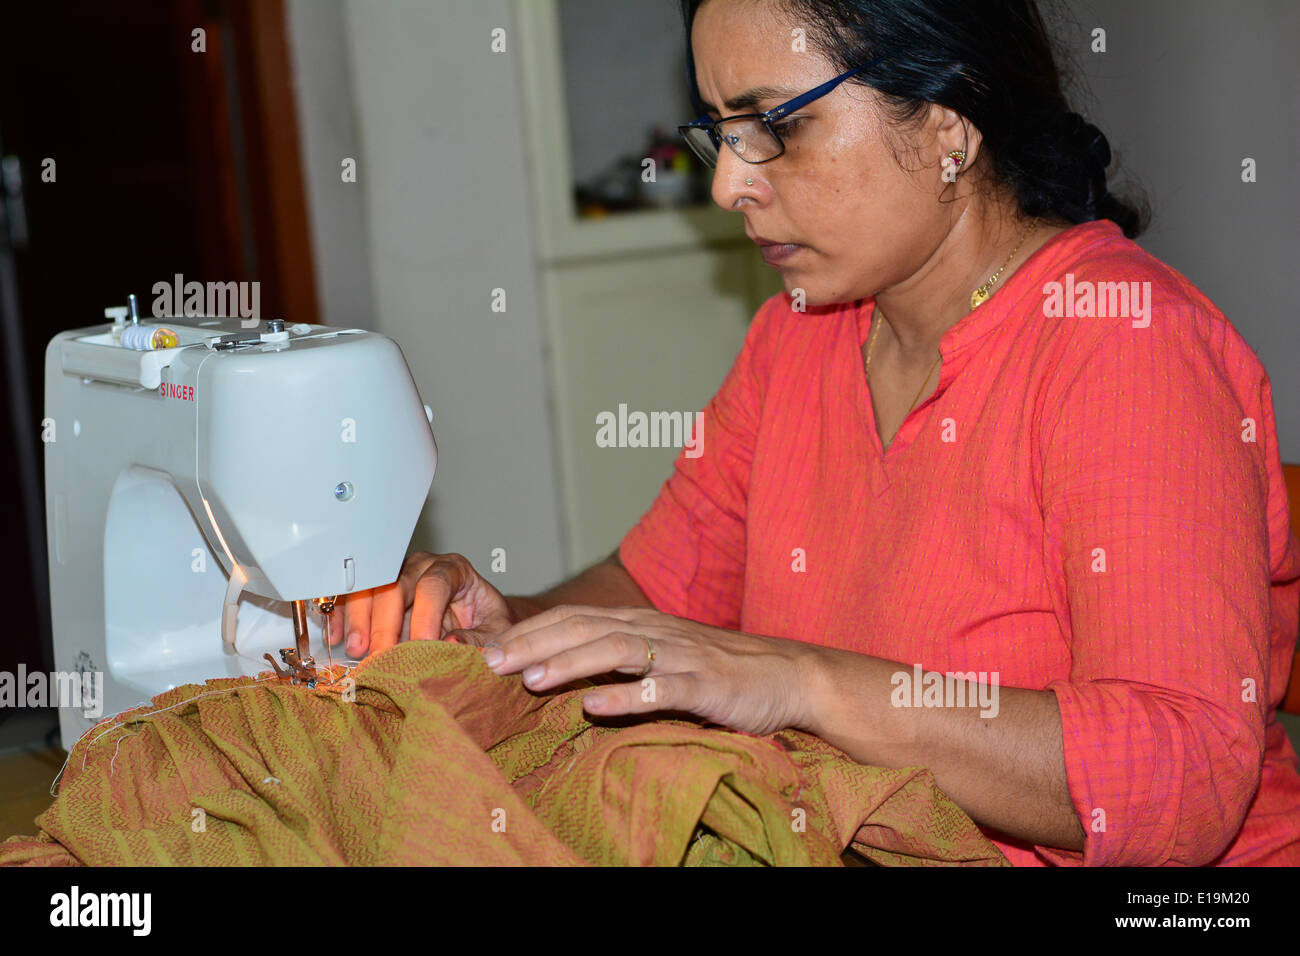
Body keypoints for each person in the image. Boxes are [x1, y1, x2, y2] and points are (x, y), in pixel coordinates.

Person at [335, 0, 1300, 866]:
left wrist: (805, 683)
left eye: (779, 127)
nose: (728, 187)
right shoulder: (800, 339)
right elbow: (654, 589)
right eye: (721, 133)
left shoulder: (1123, 347)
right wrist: (512, 626)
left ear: (947, 124)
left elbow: (1185, 777)